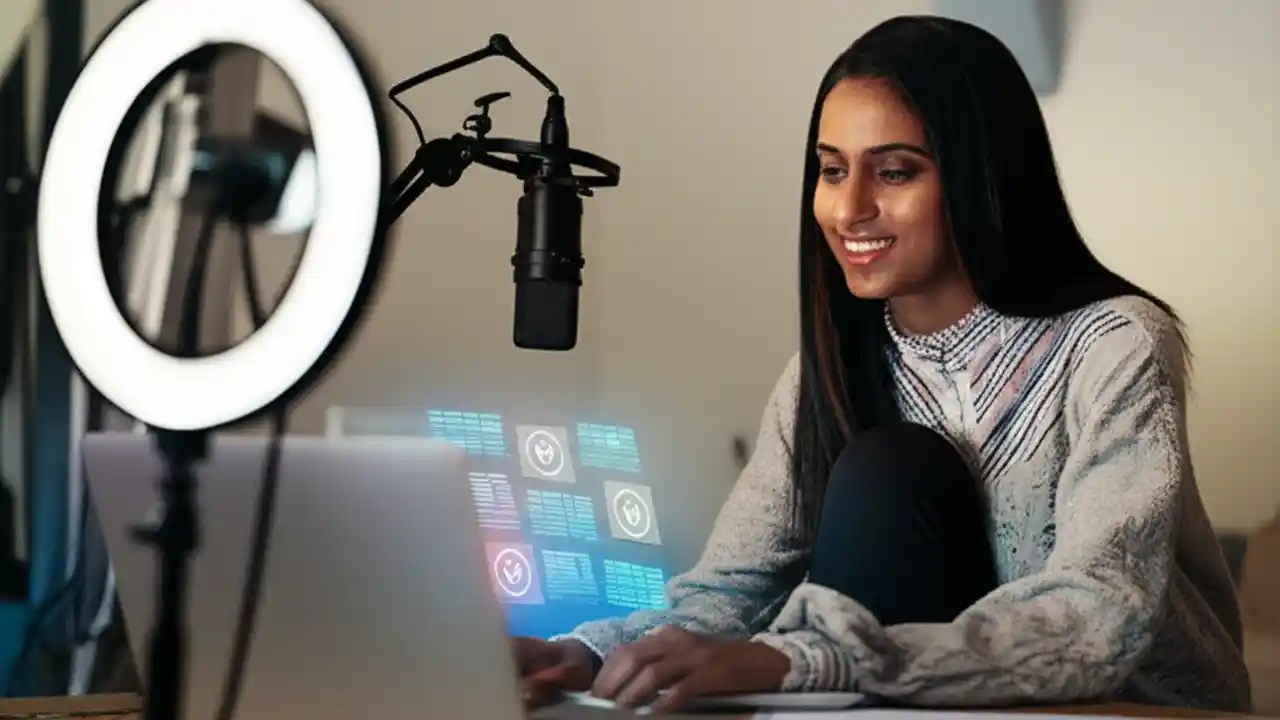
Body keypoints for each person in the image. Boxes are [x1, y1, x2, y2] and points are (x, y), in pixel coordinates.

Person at [513, 15, 1251, 714]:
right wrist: (582, 653)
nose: (849, 208)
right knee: (886, 467)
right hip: (920, 704)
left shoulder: (1113, 343)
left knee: (889, 467)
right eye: (832, 171)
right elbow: (734, 588)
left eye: (894, 173)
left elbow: (1100, 612)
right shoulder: (829, 367)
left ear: (983, 178)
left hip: (1127, 707)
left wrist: (810, 658)